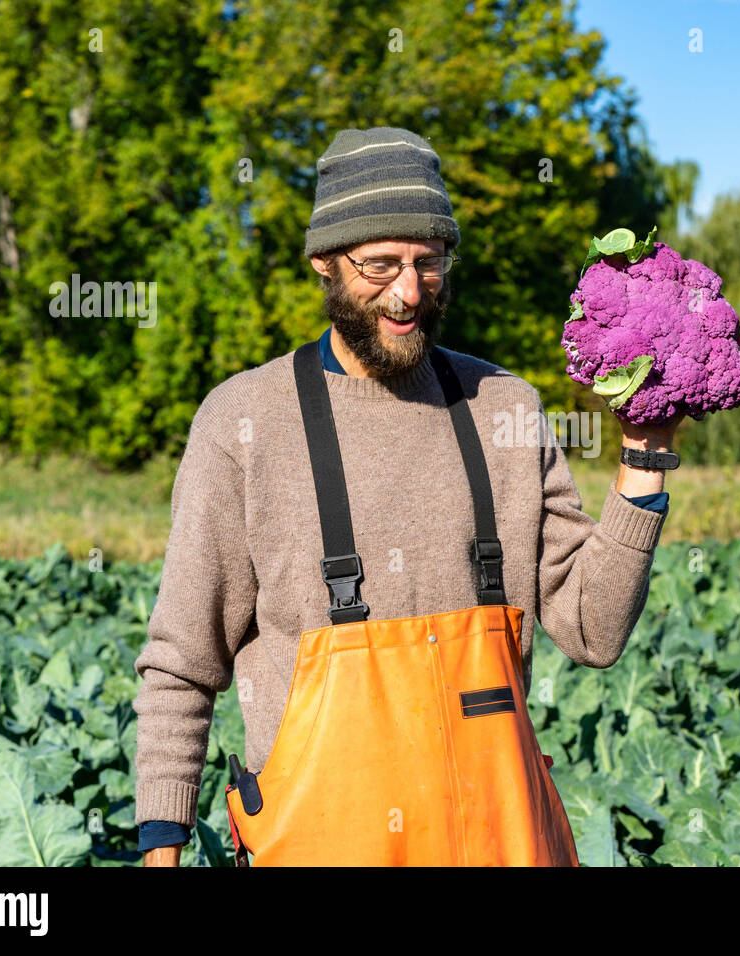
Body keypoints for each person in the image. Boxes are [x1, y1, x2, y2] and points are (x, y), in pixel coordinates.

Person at [134, 126, 682, 866]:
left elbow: (593, 631)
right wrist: (162, 842)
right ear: (323, 262)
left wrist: (644, 462)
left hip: (501, 844)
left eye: (429, 263)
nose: (407, 292)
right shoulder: (245, 423)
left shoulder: (503, 408)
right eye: (380, 264)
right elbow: (181, 664)